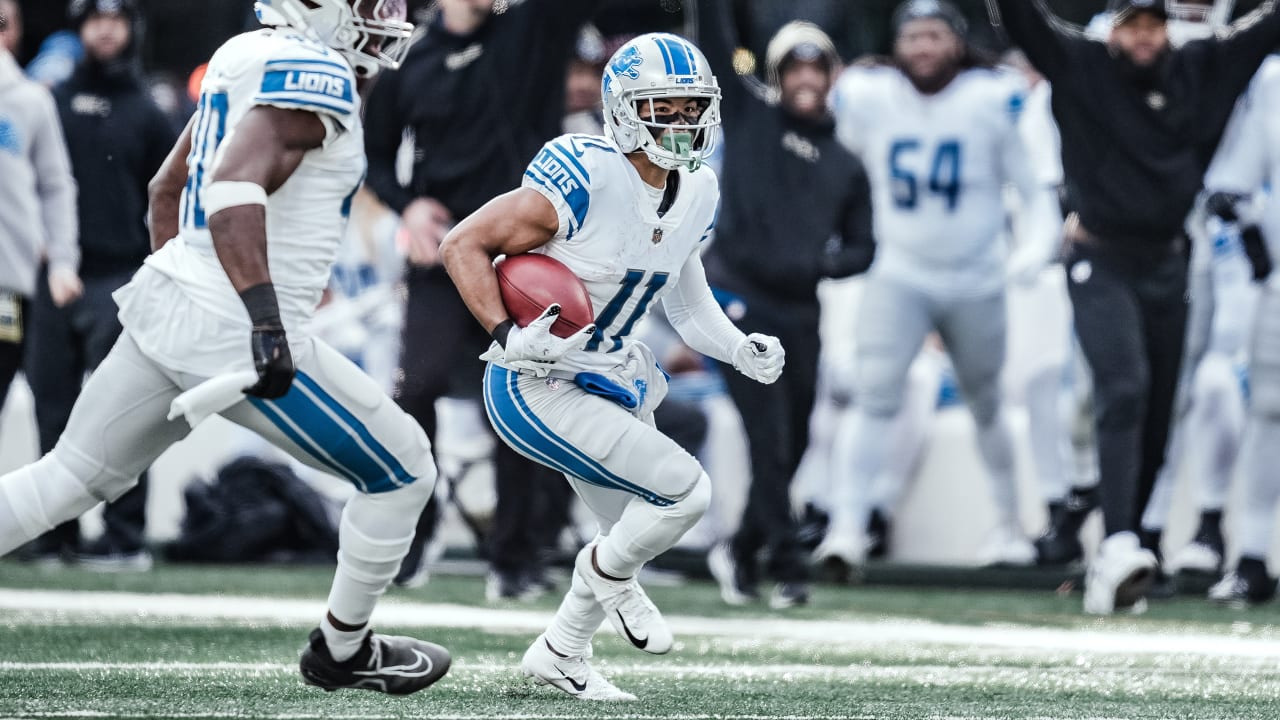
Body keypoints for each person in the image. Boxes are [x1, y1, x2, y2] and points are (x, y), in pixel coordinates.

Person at [0, 0, 451, 694]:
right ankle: (343, 649)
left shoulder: (244, 54)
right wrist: (261, 323)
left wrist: (184, 292)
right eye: (369, 1)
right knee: (406, 470)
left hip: (180, 307)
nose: (386, 14)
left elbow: (166, 188)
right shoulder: (312, 69)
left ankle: (345, 647)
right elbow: (233, 189)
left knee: (66, 480)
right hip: (238, 325)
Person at [440, 32, 785, 701]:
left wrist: (737, 347)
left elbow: (688, 305)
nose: (683, 123)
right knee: (685, 492)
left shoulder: (699, 190)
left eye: (693, 108)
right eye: (666, 106)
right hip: (537, 379)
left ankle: (567, 650)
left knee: (628, 522)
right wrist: (506, 333)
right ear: (624, 109)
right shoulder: (585, 172)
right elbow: (463, 244)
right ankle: (589, 603)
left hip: (612, 376)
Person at [988, 0, 1280, 614]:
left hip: (1170, 261)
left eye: (1153, 24)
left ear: (1166, 27)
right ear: (1112, 28)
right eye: (1131, 24)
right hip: (1098, 253)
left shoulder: (1200, 66)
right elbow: (1020, 19)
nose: (1144, 37)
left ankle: (1120, 545)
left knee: (1157, 409)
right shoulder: (1081, 63)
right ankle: (1118, 540)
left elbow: (1266, 27)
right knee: (1123, 386)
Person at [362, 0, 604, 599]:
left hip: (525, 261)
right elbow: (373, 157)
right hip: (447, 259)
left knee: (518, 404)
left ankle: (516, 559)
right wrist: (407, 205)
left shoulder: (532, 29)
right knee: (414, 387)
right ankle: (414, 540)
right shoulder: (410, 57)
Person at [816, 0, 1059, 574]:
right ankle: (846, 525)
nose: (924, 47)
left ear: (956, 41)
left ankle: (1007, 526)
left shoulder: (993, 97)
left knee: (988, 403)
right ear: (897, 44)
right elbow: (833, 172)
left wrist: (1031, 250)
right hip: (898, 270)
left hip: (977, 275)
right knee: (875, 397)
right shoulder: (870, 95)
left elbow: (1035, 191)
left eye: (935, 36)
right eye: (914, 36)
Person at [688, 0, 875, 609]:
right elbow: (715, 49)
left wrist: (821, 263)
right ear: (777, 76)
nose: (804, 80)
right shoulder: (748, 117)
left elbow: (864, 248)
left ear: (830, 76)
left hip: (801, 311)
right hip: (739, 300)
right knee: (767, 436)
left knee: (793, 444)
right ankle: (789, 565)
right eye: (792, 70)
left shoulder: (846, 164)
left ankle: (740, 549)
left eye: (815, 69)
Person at [20, 0, 177, 568]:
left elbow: (173, 200)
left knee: (123, 415)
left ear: (131, 28)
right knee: (52, 410)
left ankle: (123, 537)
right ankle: (53, 534)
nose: (105, 29)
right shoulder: (50, 103)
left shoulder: (152, 111)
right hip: (55, 276)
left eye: (115, 19)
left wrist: (154, 273)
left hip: (122, 278)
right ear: (79, 29)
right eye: (94, 19)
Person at [1193, 55, 1280, 605]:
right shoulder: (1273, 79)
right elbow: (1232, 183)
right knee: (1269, 413)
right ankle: (1251, 555)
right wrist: (1247, 226)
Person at [0, 0, 79, 415]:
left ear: (12, 32)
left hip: (7, 289)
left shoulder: (29, 102)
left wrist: (62, 259)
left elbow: (56, 185)